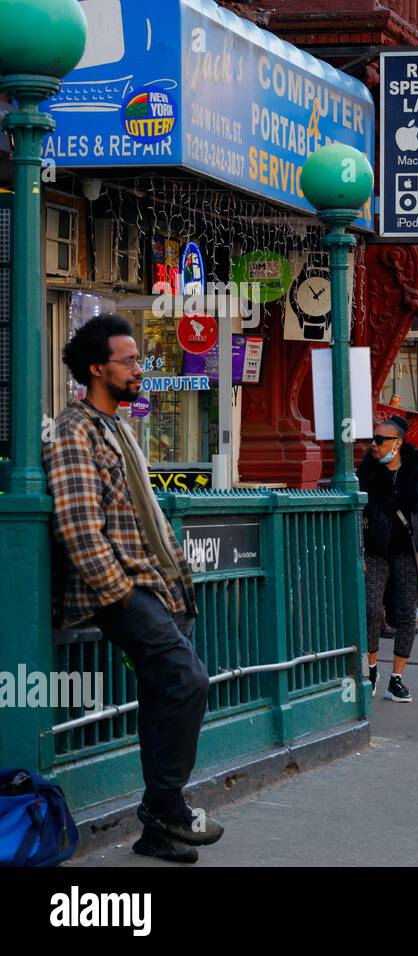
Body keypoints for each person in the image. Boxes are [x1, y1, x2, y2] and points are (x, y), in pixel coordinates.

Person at [46, 315, 221, 864]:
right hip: (123, 589)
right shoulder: (75, 431)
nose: (139, 369)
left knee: (163, 693)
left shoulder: (118, 427)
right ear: (98, 369)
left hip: (157, 582)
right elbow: (79, 526)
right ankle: (166, 808)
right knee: (187, 679)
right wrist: (121, 594)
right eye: (128, 360)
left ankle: (158, 831)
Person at [358, 415, 418, 703]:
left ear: (396, 444)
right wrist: (360, 553)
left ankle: (397, 679)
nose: (373, 444)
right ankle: (371, 672)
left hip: (409, 552)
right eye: (373, 439)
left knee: (407, 614)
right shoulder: (366, 472)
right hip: (375, 551)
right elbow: (357, 517)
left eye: (379, 440)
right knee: (370, 609)